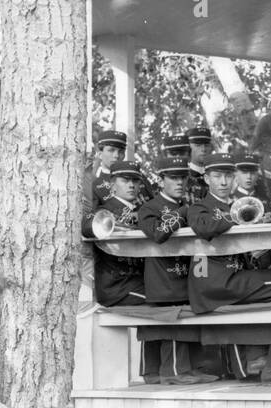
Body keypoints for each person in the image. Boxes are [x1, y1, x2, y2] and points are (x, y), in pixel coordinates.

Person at [188, 153, 271, 386]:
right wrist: (240, 221)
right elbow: (203, 226)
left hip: (233, 280)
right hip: (217, 285)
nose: (225, 182)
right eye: (217, 176)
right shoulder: (200, 207)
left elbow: (236, 250)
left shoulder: (233, 206)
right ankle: (267, 360)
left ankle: (266, 361)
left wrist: (257, 243)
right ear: (206, 179)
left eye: (228, 175)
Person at [136, 155, 215, 384]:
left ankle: (190, 368)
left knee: (188, 317)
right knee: (171, 319)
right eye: (173, 178)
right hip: (161, 276)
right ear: (161, 181)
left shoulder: (185, 206)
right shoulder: (149, 207)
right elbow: (158, 233)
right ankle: (171, 372)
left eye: (182, 178)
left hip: (184, 274)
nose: (180, 183)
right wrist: (184, 214)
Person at [86, 160, 154, 306]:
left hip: (137, 282)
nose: (131, 185)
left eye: (135, 180)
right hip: (117, 288)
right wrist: (112, 223)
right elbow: (86, 226)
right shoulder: (104, 210)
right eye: (125, 180)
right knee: (165, 297)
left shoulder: (142, 210)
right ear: (112, 185)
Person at [87, 129, 128, 213]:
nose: (116, 156)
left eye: (121, 151)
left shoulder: (140, 180)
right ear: (100, 154)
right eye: (111, 150)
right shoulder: (93, 186)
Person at [185, 123, 213, 203]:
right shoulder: (182, 178)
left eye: (207, 145)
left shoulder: (218, 176)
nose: (203, 149)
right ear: (189, 147)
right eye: (198, 145)